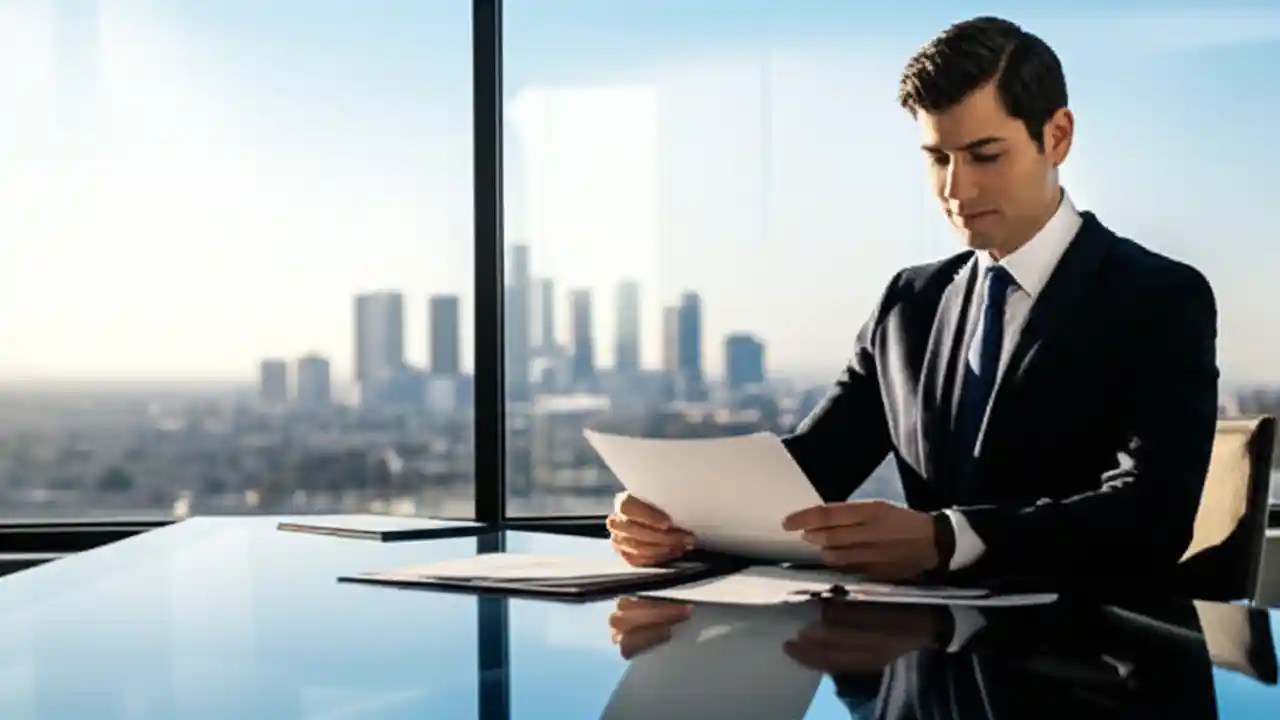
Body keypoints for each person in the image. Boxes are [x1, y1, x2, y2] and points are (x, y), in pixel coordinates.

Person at [606, 15, 1218, 587]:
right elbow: (810, 473)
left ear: (1056, 137)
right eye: (937, 158)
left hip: (1087, 670)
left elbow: (1152, 517)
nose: (956, 189)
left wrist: (949, 540)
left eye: (985, 155)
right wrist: (675, 519)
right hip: (922, 667)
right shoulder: (911, 302)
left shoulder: (1159, 298)